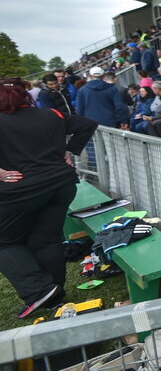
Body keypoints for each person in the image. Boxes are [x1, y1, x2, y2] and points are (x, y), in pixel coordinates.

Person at [0, 77, 97, 319]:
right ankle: (53, 293)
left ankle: (39, 290)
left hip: (23, 190)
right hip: (60, 185)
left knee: (6, 241)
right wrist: (70, 151)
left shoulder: (49, 114)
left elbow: (87, 124)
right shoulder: (51, 114)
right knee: (46, 239)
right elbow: (87, 124)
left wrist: (69, 150)